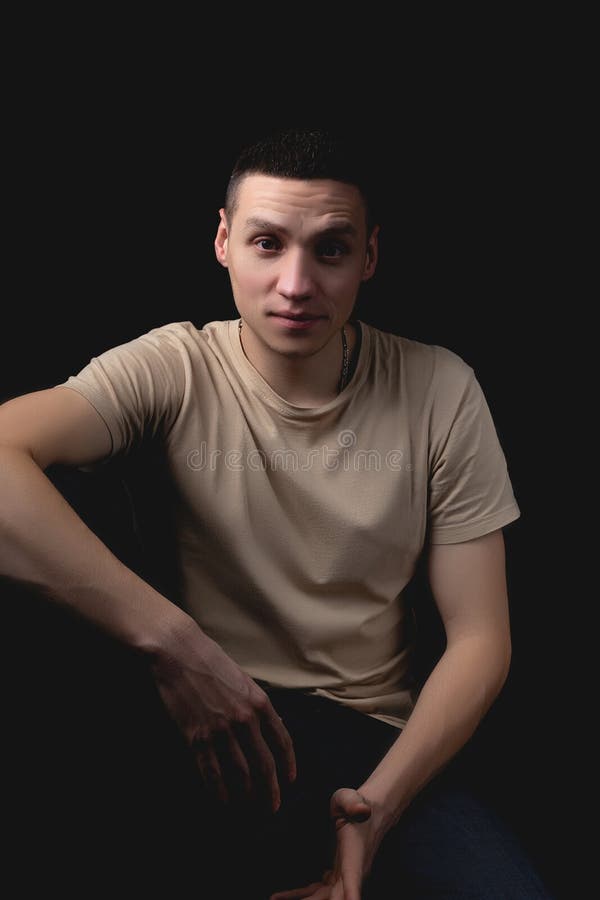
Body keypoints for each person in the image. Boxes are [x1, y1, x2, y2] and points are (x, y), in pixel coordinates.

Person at [0, 128, 554, 899]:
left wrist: (374, 809)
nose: (296, 283)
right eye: (267, 243)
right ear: (224, 241)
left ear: (369, 257)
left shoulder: (440, 389)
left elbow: (481, 639)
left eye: (330, 250)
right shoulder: (177, 367)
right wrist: (175, 647)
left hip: (377, 741)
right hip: (204, 721)